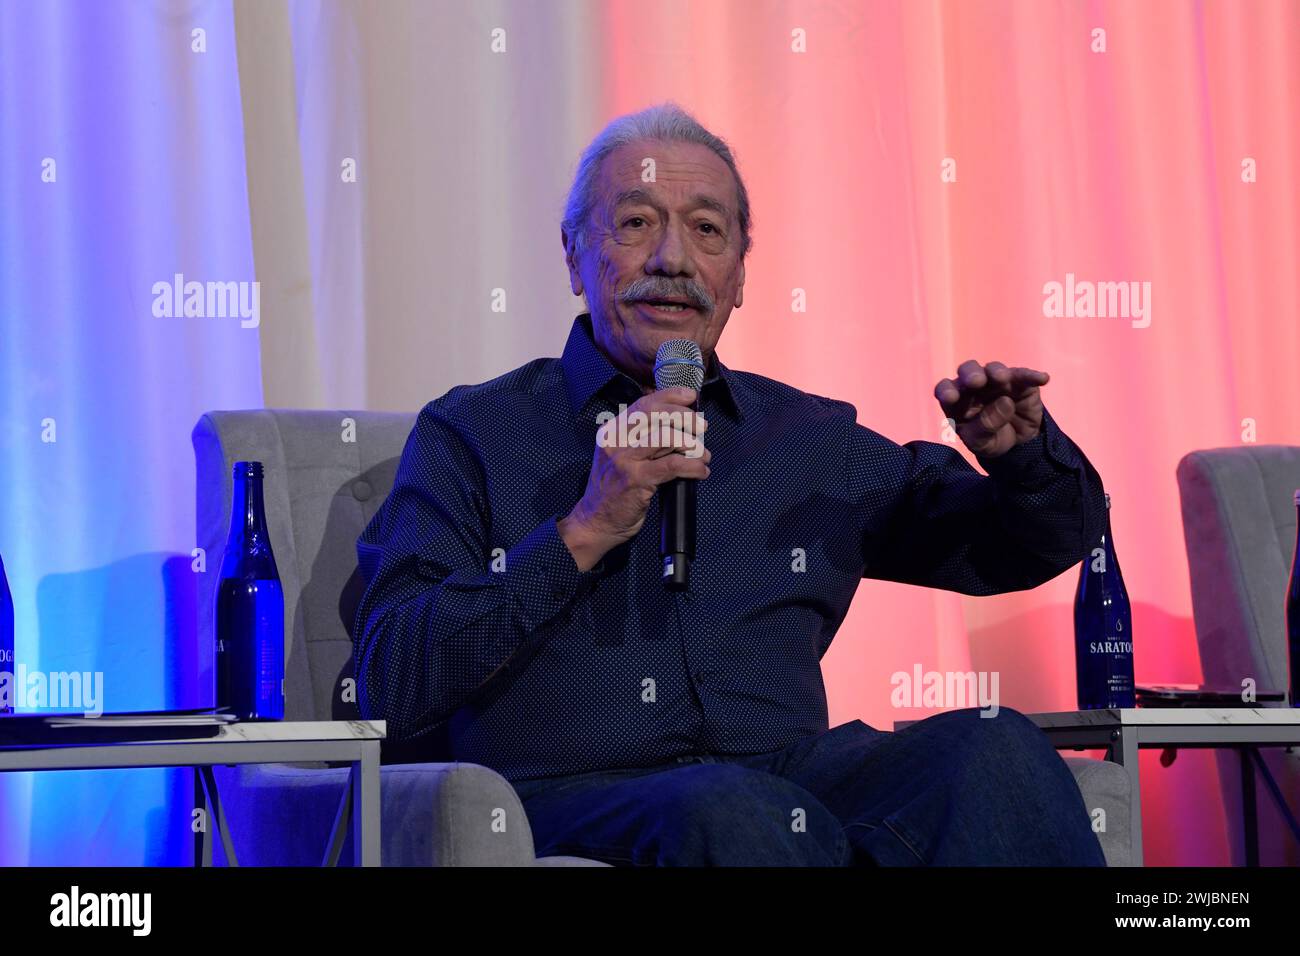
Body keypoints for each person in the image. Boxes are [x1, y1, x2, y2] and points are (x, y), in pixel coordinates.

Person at [353, 103, 1108, 866]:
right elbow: (391, 678)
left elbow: (1018, 549)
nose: (674, 259)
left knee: (993, 748)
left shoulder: (806, 438)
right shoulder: (476, 432)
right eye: (638, 223)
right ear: (574, 256)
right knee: (737, 809)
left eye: (708, 230)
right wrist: (582, 532)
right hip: (574, 790)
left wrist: (1023, 460)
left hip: (786, 778)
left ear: (740, 274)